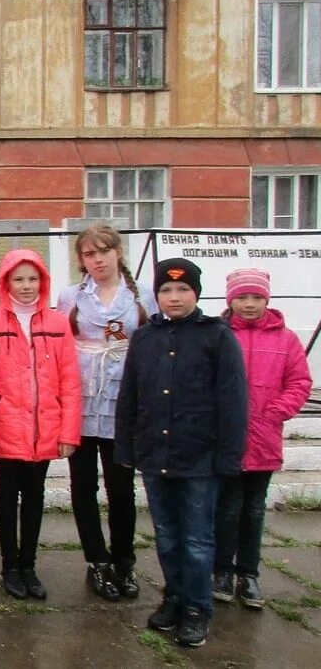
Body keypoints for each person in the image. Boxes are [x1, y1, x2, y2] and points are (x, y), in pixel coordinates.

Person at [117, 258, 247, 649]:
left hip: (199, 457)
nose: (174, 297)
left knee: (197, 539)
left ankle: (196, 608)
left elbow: (233, 401)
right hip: (156, 454)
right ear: (156, 296)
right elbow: (130, 397)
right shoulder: (145, 337)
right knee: (167, 535)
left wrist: (229, 456)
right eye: (166, 291)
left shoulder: (217, 336)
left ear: (196, 293)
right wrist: (126, 447)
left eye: (183, 290)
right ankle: (174, 596)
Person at [56, 224, 158, 602]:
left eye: (103, 251)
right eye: (88, 254)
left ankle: (124, 561)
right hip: (82, 398)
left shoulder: (143, 295)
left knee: (121, 488)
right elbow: (61, 346)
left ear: (118, 252)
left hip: (123, 400)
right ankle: (96, 561)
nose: (97, 260)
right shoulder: (71, 297)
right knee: (83, 486)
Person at [0, 250, 82, 600]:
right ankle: (9, 566)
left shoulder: (57, 323)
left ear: (43, 282)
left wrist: (69, 431)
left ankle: (29, 565)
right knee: (7, 496)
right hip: (7, 425)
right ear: (6, 283)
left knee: (35, 497)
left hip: (44, 427)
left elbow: (69, 379)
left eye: (32, 279)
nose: (26, 286)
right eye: (18, 279)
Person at [213, 269, 312, 609]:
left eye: (256, 298)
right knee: (226, 508)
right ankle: (222, 571)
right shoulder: (218, 334)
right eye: (242, 298)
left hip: (264, 437)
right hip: (227, 438)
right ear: (231, 300)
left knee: (254, 509)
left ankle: (249, 574)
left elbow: (299, 382)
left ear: (266, 299)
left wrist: (274, 412)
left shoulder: (286, 339)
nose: (249, 304)